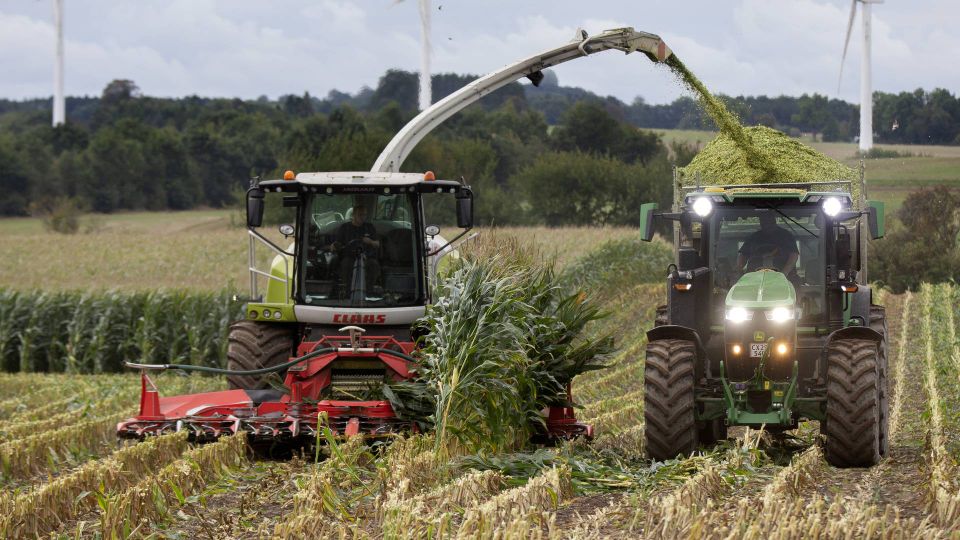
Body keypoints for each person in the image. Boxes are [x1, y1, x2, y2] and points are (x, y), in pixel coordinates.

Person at [334, 204, 381, 295]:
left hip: (367, 257)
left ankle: (368, 291)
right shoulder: (345, 228)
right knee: (345, 265)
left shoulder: (369, 227)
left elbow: (377, 244)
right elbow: (338, 243)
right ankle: (348, 292)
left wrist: (370, 241)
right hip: (349, 257)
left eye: (364, 215)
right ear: (353, 215)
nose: (363, 217)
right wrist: (334, 246)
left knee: (374, 265)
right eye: (360, 215)